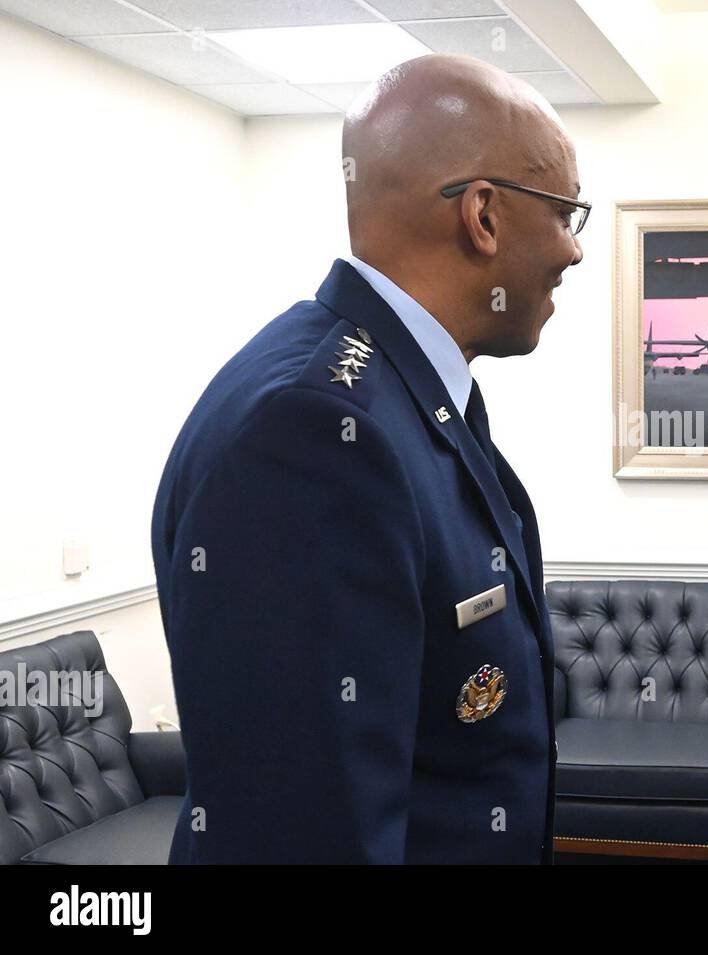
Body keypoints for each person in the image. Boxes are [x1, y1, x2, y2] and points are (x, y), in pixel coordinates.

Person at [150, 54, 585, 863]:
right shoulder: (314, 434)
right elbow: (301, 835)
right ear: (483, 215)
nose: (574, 250)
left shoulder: (398, 393)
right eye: (565, 213)